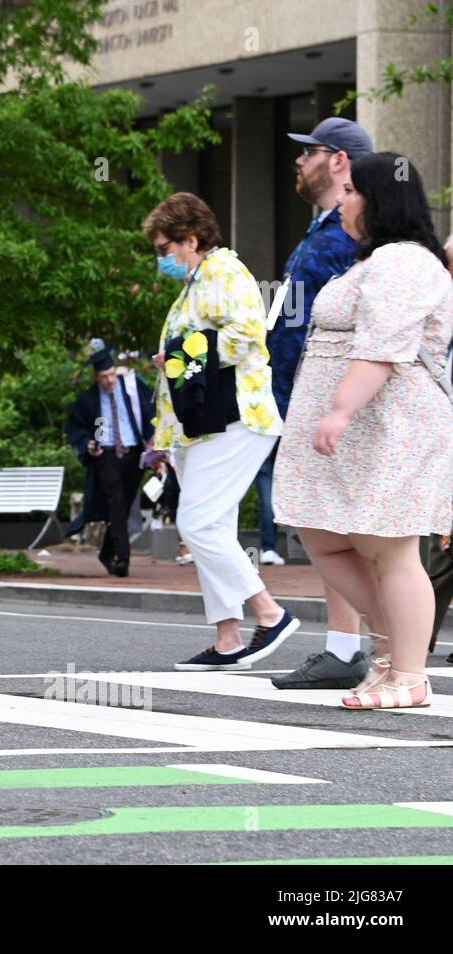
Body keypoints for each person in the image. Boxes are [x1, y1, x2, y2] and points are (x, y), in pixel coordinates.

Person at [273, 152, 453, 710]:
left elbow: (383, 346)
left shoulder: (405, 261)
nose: (344, 201)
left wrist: (340, 410)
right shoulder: (372, 260)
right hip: (355, 429)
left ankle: (409, 674)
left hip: (389, 424)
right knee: (323, 536)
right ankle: (389, 654)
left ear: (380, 200)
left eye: (351, 192)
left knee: (389, 548)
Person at [144, 192, 300, 671]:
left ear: (191, 239)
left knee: (199, 523)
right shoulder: (196, 280)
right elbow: (198, 348)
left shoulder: (223, 272)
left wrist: (178, 357)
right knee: (215, 523)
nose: (161, 258)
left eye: (165, 247)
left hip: (235, 419)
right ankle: (229, 638)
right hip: (206, 425)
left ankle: (269, 613)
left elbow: (245, 335)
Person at [266, 118, 376, 690]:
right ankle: (345, 645)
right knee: (325, 519)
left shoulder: (357, 233)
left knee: (340, 524)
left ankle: (369, 644)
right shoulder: (327, 228)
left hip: (331, 395)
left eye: (308, 153)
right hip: (304, 392)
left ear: (337, 161)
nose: (298, 161)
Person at [65, 341, 155, 576]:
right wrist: (89, 445)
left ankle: (106, 552)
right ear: (96, 377)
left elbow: (152, 409)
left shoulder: (133, 388)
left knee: (124, 506)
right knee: (116, 502)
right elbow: (78, 429)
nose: (110, 381)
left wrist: (153, 436)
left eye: (112, 374)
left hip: (134, 453)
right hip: (106, 456)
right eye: (104, 377)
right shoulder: (89, 400)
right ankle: (123, 559)